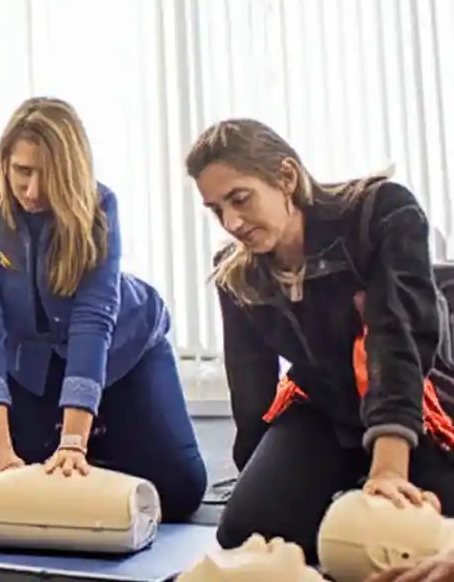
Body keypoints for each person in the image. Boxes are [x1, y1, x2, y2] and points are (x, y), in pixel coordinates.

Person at [185, 118, 454, 565]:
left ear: (286, 177)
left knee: (421, 535)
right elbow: (251, 390)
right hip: (325, 405)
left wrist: (389, 465)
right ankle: (342, 480)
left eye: (240, 199)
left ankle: (367, 472)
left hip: (410, 397)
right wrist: (260, 477)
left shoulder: (381, 212)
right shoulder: (237, 274)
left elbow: (396, 338)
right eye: (216, 210)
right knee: (244, 530)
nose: (231, 222)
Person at [0, 97, 208, 523]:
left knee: (179, 490)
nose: (32, 191)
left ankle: (96, 435)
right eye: (22, 172)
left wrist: (73, 441)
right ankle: (84, 440)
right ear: (4, 164)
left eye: (47, 177)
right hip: (30, 360)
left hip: (122, 351)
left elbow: (93, 321)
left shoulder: (100, 207)